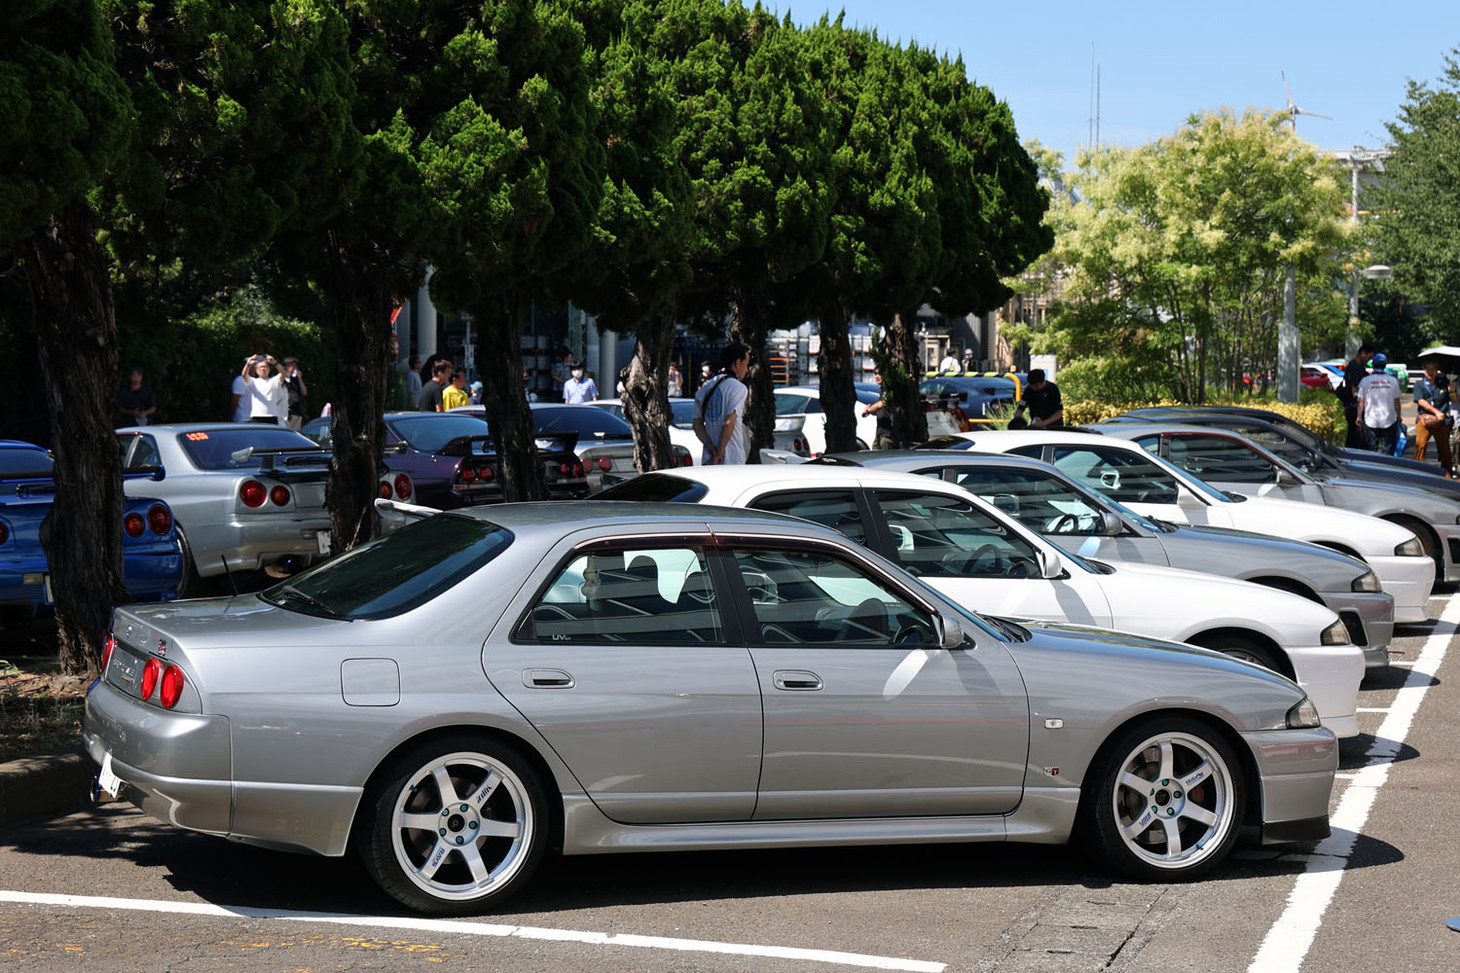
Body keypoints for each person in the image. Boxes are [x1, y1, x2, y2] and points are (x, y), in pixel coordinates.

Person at [693, 342, 751, 465]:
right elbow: (729, 423)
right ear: (738, 363)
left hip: (708, 459)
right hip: (732, 460)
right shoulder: (738, 388)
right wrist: (719, 453)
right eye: (746, 364)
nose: (747, 370)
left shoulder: (705, 388)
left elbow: (697, 424)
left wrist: (709, 444)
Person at [1413, 358, 1456, 476]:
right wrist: (1436, 412)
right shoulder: (1419, 384)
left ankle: (1447, 474)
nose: (1431, 372)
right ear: (1424, 370)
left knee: (1444, 450)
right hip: (1425, 419)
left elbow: (1453, 399)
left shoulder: (1444, 382)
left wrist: (1452, 391)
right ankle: (1416, 473)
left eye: (1433, 369)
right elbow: (1420, 401)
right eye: (1428, 369)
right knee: (1420, 446)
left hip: (1442, 422)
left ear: (1437, 370)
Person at [1355, 353, 1401, 455]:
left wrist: (1359, 416)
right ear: (1385, 365)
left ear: (1373, 364)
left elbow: (1361, 401)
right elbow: (1396, 400)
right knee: (1387, 450)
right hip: (1388, 419)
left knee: (1371, 450)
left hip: (1371, 419)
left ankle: (1372, 469)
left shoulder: (1365, 380)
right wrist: (1399, 416)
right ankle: (1386, 469)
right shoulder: (1392, 381)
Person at [1340, 342, 1376, 448]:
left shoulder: (1359, 366)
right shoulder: (1354, 367)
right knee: (1356, 437)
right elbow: (1354, 388)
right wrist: (1358, 404)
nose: (1369, 360)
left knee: (1358, 436)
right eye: (1369, 357)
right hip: (1354, 406)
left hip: (1356, 406)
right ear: (1363, 353)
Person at [238, 354, 285, 424]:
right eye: (260, 367)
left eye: (265, 367)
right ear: (256, 370)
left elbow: (283, 373)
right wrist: (248, 364)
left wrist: (275, 363)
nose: (263, 369)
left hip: (272, 416)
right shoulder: (253, 381)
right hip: (257, 416)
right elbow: (244, 375)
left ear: (269, 369)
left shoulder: (274, 380)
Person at [862, 372, 894, 449]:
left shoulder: (889, 389)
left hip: (887, 435)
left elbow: (881, 404)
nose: (877, 376)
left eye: (879, 373)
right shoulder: (882, 389)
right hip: (879, 433)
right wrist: (869, 411)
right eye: (875, 374)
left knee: (884, 459)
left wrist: (869, 410)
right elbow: (880, 410)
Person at [280, 357, 308, 431]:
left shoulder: (295, 380)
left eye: (295, 366)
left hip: (297, 412)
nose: (294, 368)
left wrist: (299, 379)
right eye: (292, 366)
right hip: (287, 413)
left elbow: (304, 392)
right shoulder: (281, 380)